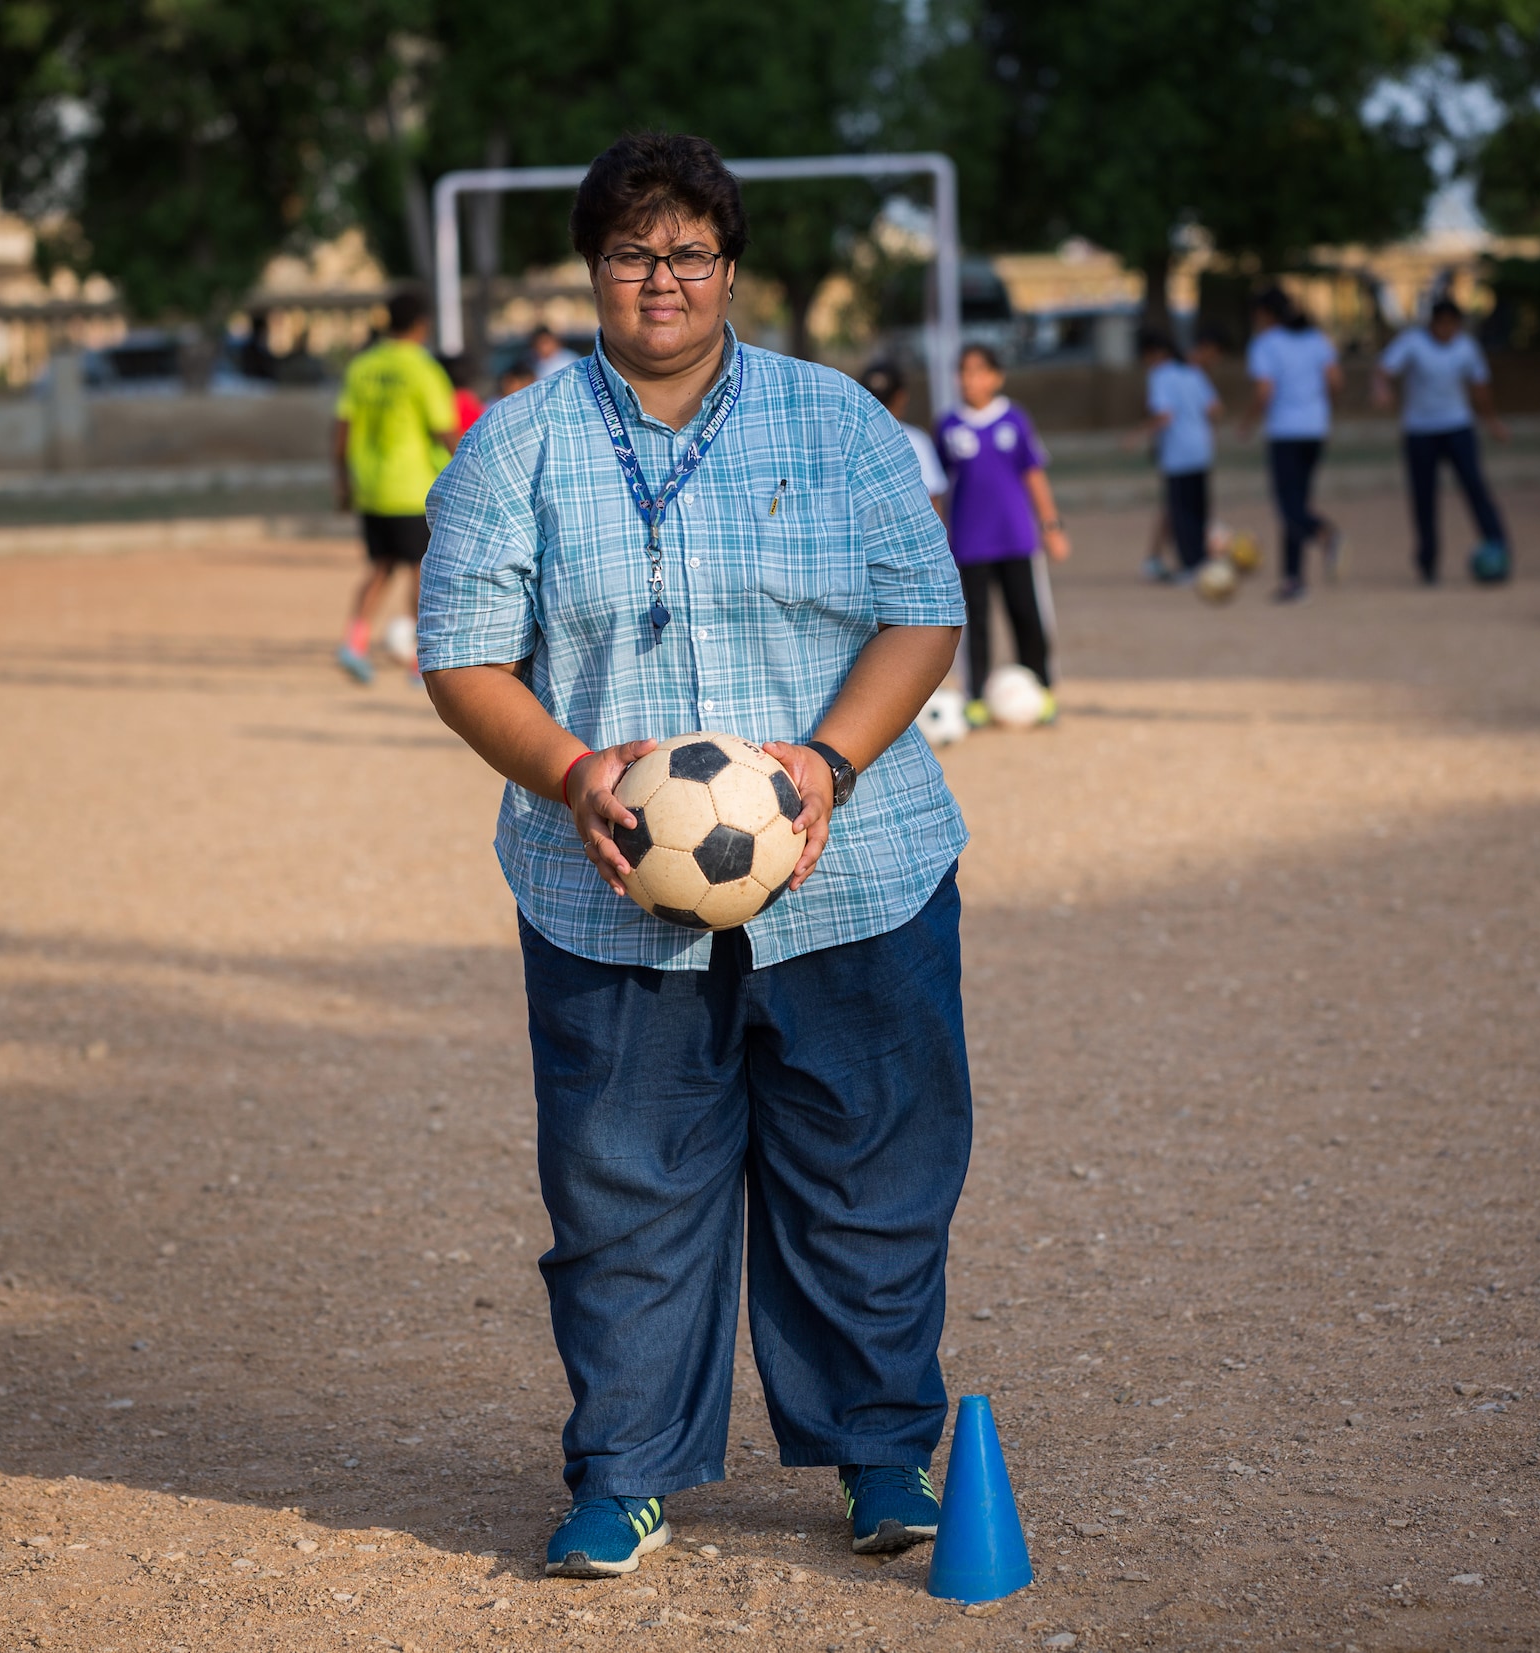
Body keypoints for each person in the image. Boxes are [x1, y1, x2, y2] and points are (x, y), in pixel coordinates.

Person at [418, 131, 969, 1580]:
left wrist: (829, 762)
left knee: (870, 1172)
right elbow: (461, 655)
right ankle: (625, 1471)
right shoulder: (515, 443)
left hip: (857, 878)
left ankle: (881, 1451)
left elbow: (925, 612)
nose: (661, 279)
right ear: (593, 268)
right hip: (606, 894)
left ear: (730, 266)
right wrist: (572, 769)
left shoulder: (837, 419)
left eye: (689, 253)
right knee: (622, 1192)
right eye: (631, 253)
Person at [937, 343, 1070, 724]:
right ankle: (975, 697)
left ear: (996, 377)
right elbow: (939, 486)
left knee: (1027, 615)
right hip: (969, 543)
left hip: (1015, 538)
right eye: (963, 372)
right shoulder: (948, 426)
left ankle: (1043, 692)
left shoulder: (1015, 419)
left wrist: (1051, 525)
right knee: (973, 622)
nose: (970, 380)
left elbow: (1034, 474)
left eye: (978, 371)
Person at [333, 291, 461, 682]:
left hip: (371, 486)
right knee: (421, 572)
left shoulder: (362, 367)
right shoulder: (422, 369)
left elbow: (342, 427)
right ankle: (418, 660)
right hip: (411, 486)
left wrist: (342, 479)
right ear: (421, 325)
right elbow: (445, 431)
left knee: (381, 566)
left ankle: (354, 643)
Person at [1372, 298, 1509, 585]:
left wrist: (1492, 422)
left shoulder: (1466, 347)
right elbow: (1383, 370)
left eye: (1452, 324)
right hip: (1420, 431)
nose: (1446, 330)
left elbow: (1480, 388)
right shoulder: (1413, 342)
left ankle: (1498, 548)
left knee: (1475, 488)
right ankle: (1428, 562)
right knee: (1424, 498)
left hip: (1458, 427)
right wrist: (1382, 389)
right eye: (1441, 324)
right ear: (1432, 324)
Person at [1243, 288, 1341, 602]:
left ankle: (1325, 533)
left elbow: (1264, 391)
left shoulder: (1265, 345)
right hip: (1315, 429)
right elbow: (1335, 382)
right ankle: (1293, 580)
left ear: (1264, 315)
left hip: (1285, 432)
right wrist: (1319, 409)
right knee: (1297, 501)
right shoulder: (1317, 340)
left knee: (1289, 507)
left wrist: (1249, 420)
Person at [1140, 328, 1219, 584]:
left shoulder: (1160, 375)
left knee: (1181, 512)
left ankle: (1190, 566)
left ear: (1156, 354)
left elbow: (1164, 415)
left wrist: (1139, 434)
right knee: (1198, 511)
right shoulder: (1194, 372)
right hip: (1201, 450)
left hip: (1178, 454)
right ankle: (1202, 561)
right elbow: (1215, 409)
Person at [858, 359, 948, 521]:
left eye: (885, 402)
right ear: (901, 397)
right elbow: (932, 503)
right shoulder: (915, 440)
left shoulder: (847, 442)